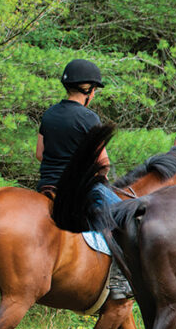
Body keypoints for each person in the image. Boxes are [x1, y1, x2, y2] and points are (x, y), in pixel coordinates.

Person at [37, 58, 130, 298]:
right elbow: (103, 163)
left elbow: (39, 154)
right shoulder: (88, 118)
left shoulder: (48, 115)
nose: (95, 94)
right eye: (95, 90)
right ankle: (120, 281)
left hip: (46, 186)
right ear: (88, 89)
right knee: (123, 218)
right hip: (79, 192)